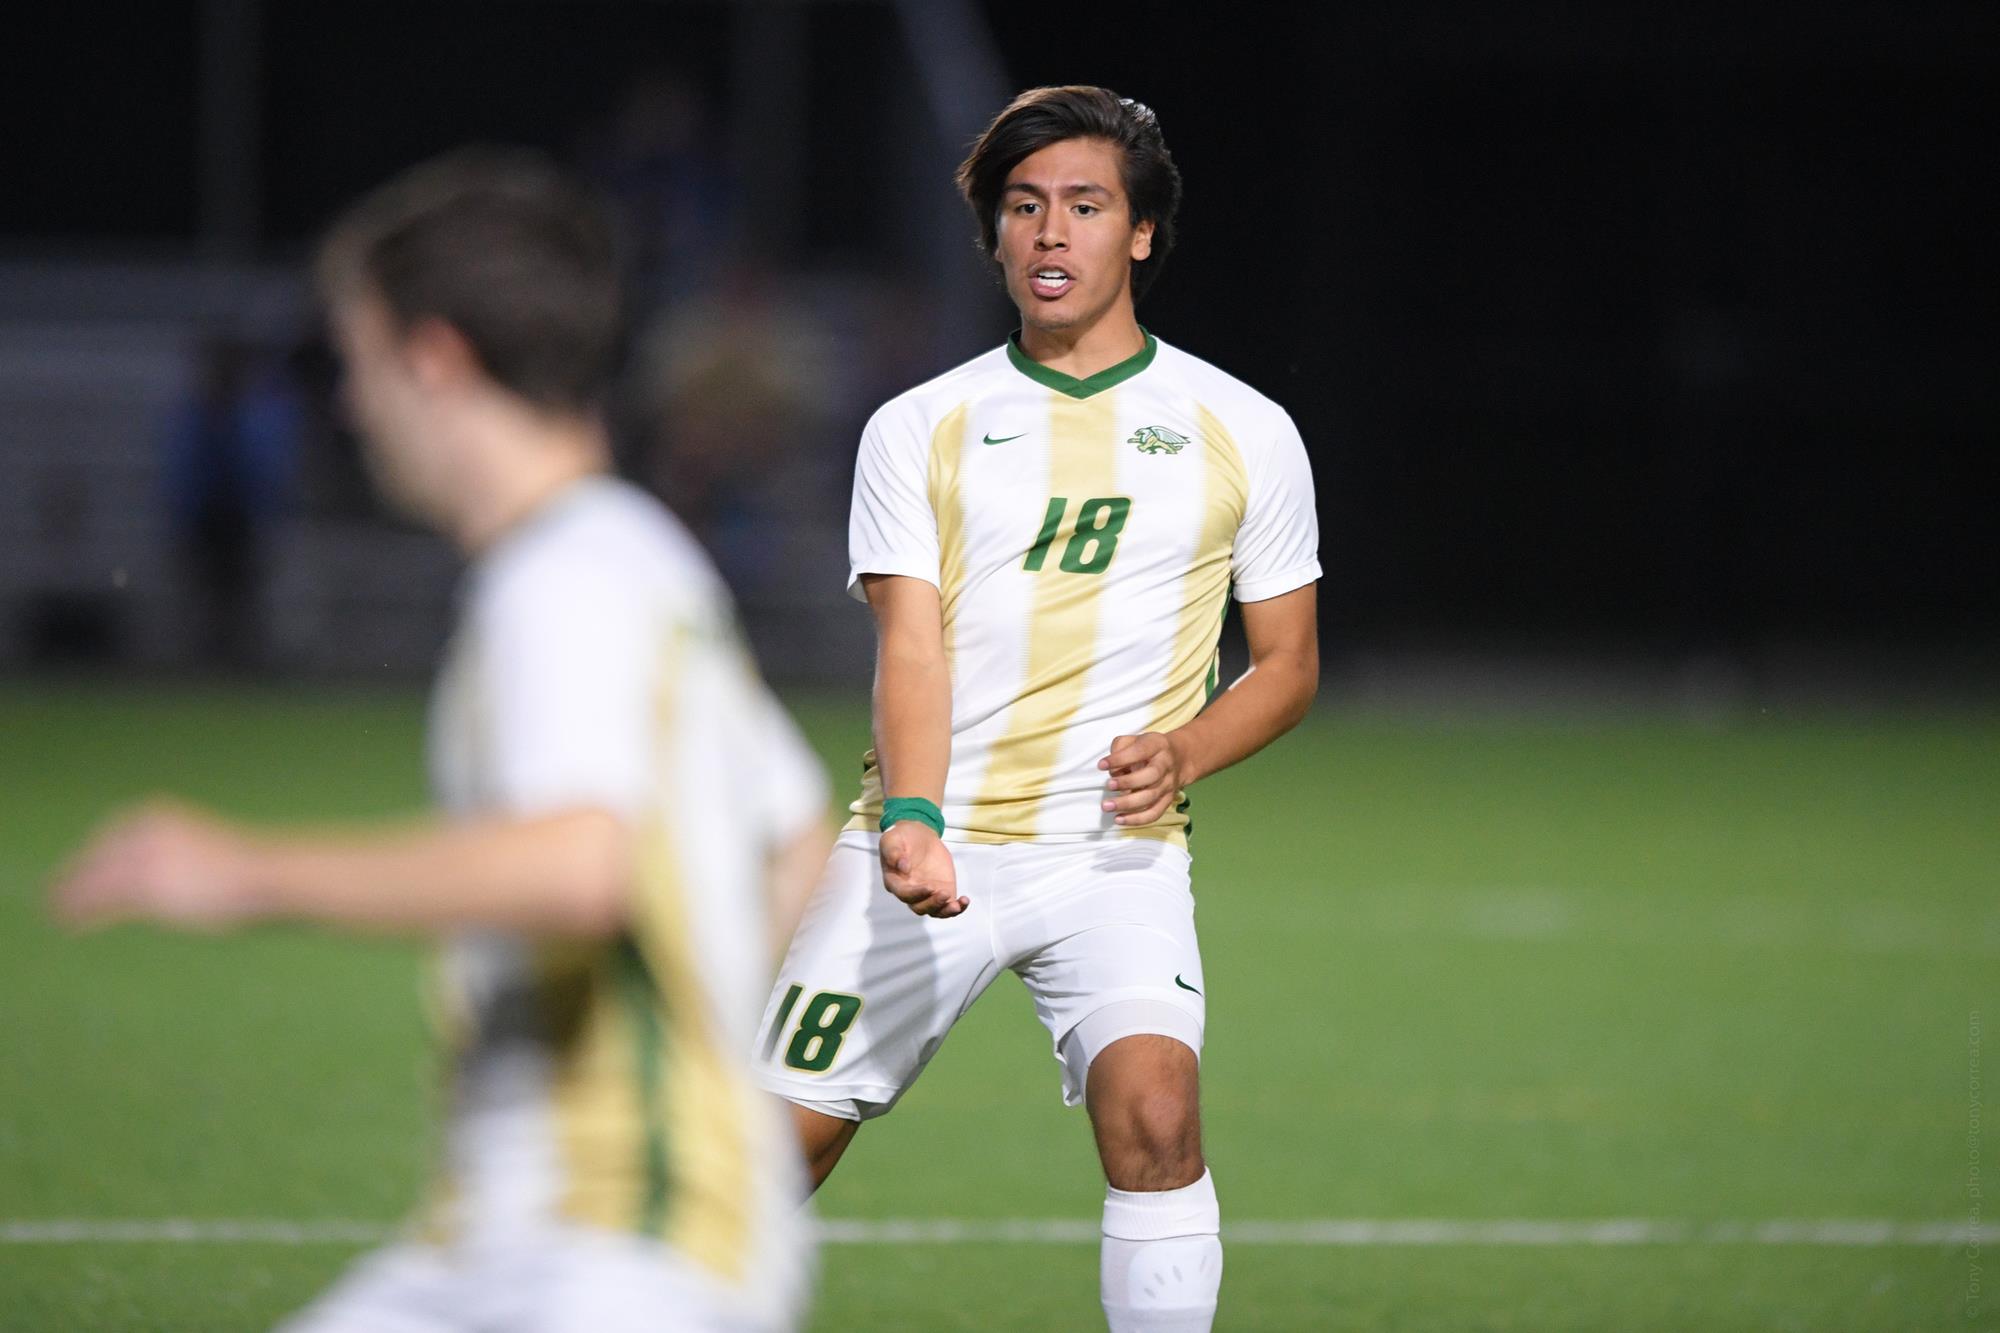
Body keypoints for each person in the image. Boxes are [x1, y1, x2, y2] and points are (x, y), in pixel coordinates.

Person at [50, 148, 829, 1333]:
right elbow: (796, 837)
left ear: (436, 357)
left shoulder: (563, 578)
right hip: (513, 1242)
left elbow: (578, 865)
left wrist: (240, 871)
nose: (352, 404)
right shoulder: (629, 562)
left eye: (358, 359)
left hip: (619, 1252)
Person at [751, 87, 1322, 1332]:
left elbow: (1283, 665)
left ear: (1141, 235)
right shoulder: (922, 427)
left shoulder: (1244, 429)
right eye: (1022, 207)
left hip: (1114, 858)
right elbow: (911, 645)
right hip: (927, 845)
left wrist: (1183, 750)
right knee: (759, 1163)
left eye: (1082, 204)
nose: (1048, 233)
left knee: (1158, 1121)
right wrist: (908, 815)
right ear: (995, 236)